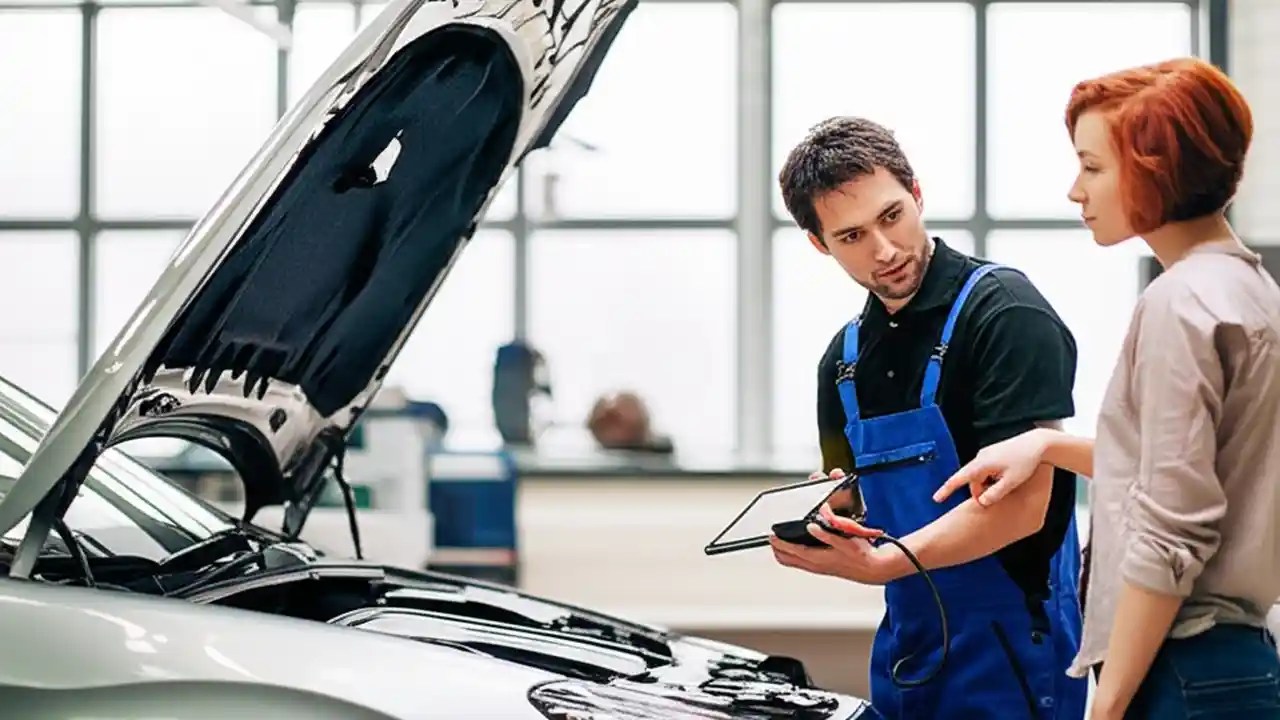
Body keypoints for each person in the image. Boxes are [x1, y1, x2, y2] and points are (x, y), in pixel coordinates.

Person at [934, 57, 1280, 720]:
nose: (1075, 189)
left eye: (1093, 167)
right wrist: (1045, 444)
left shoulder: (1181, 303)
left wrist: (1108, 705)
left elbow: (1173, 528)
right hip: (1234, 668)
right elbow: (1186, 469)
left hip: (1183, 668)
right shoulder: (1249, 289)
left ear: (1157, 167)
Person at [768, 115, 1087, 719]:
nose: (884, 251)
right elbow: (851, 495)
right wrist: (829, 519)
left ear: (916, 194)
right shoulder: (841, 361)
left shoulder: (1006, 316)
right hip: (908, 649)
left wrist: (887, 561)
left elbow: (1024, 506)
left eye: (892, 216)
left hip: (1015, 648)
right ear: (819, 243)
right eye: (852, 236)